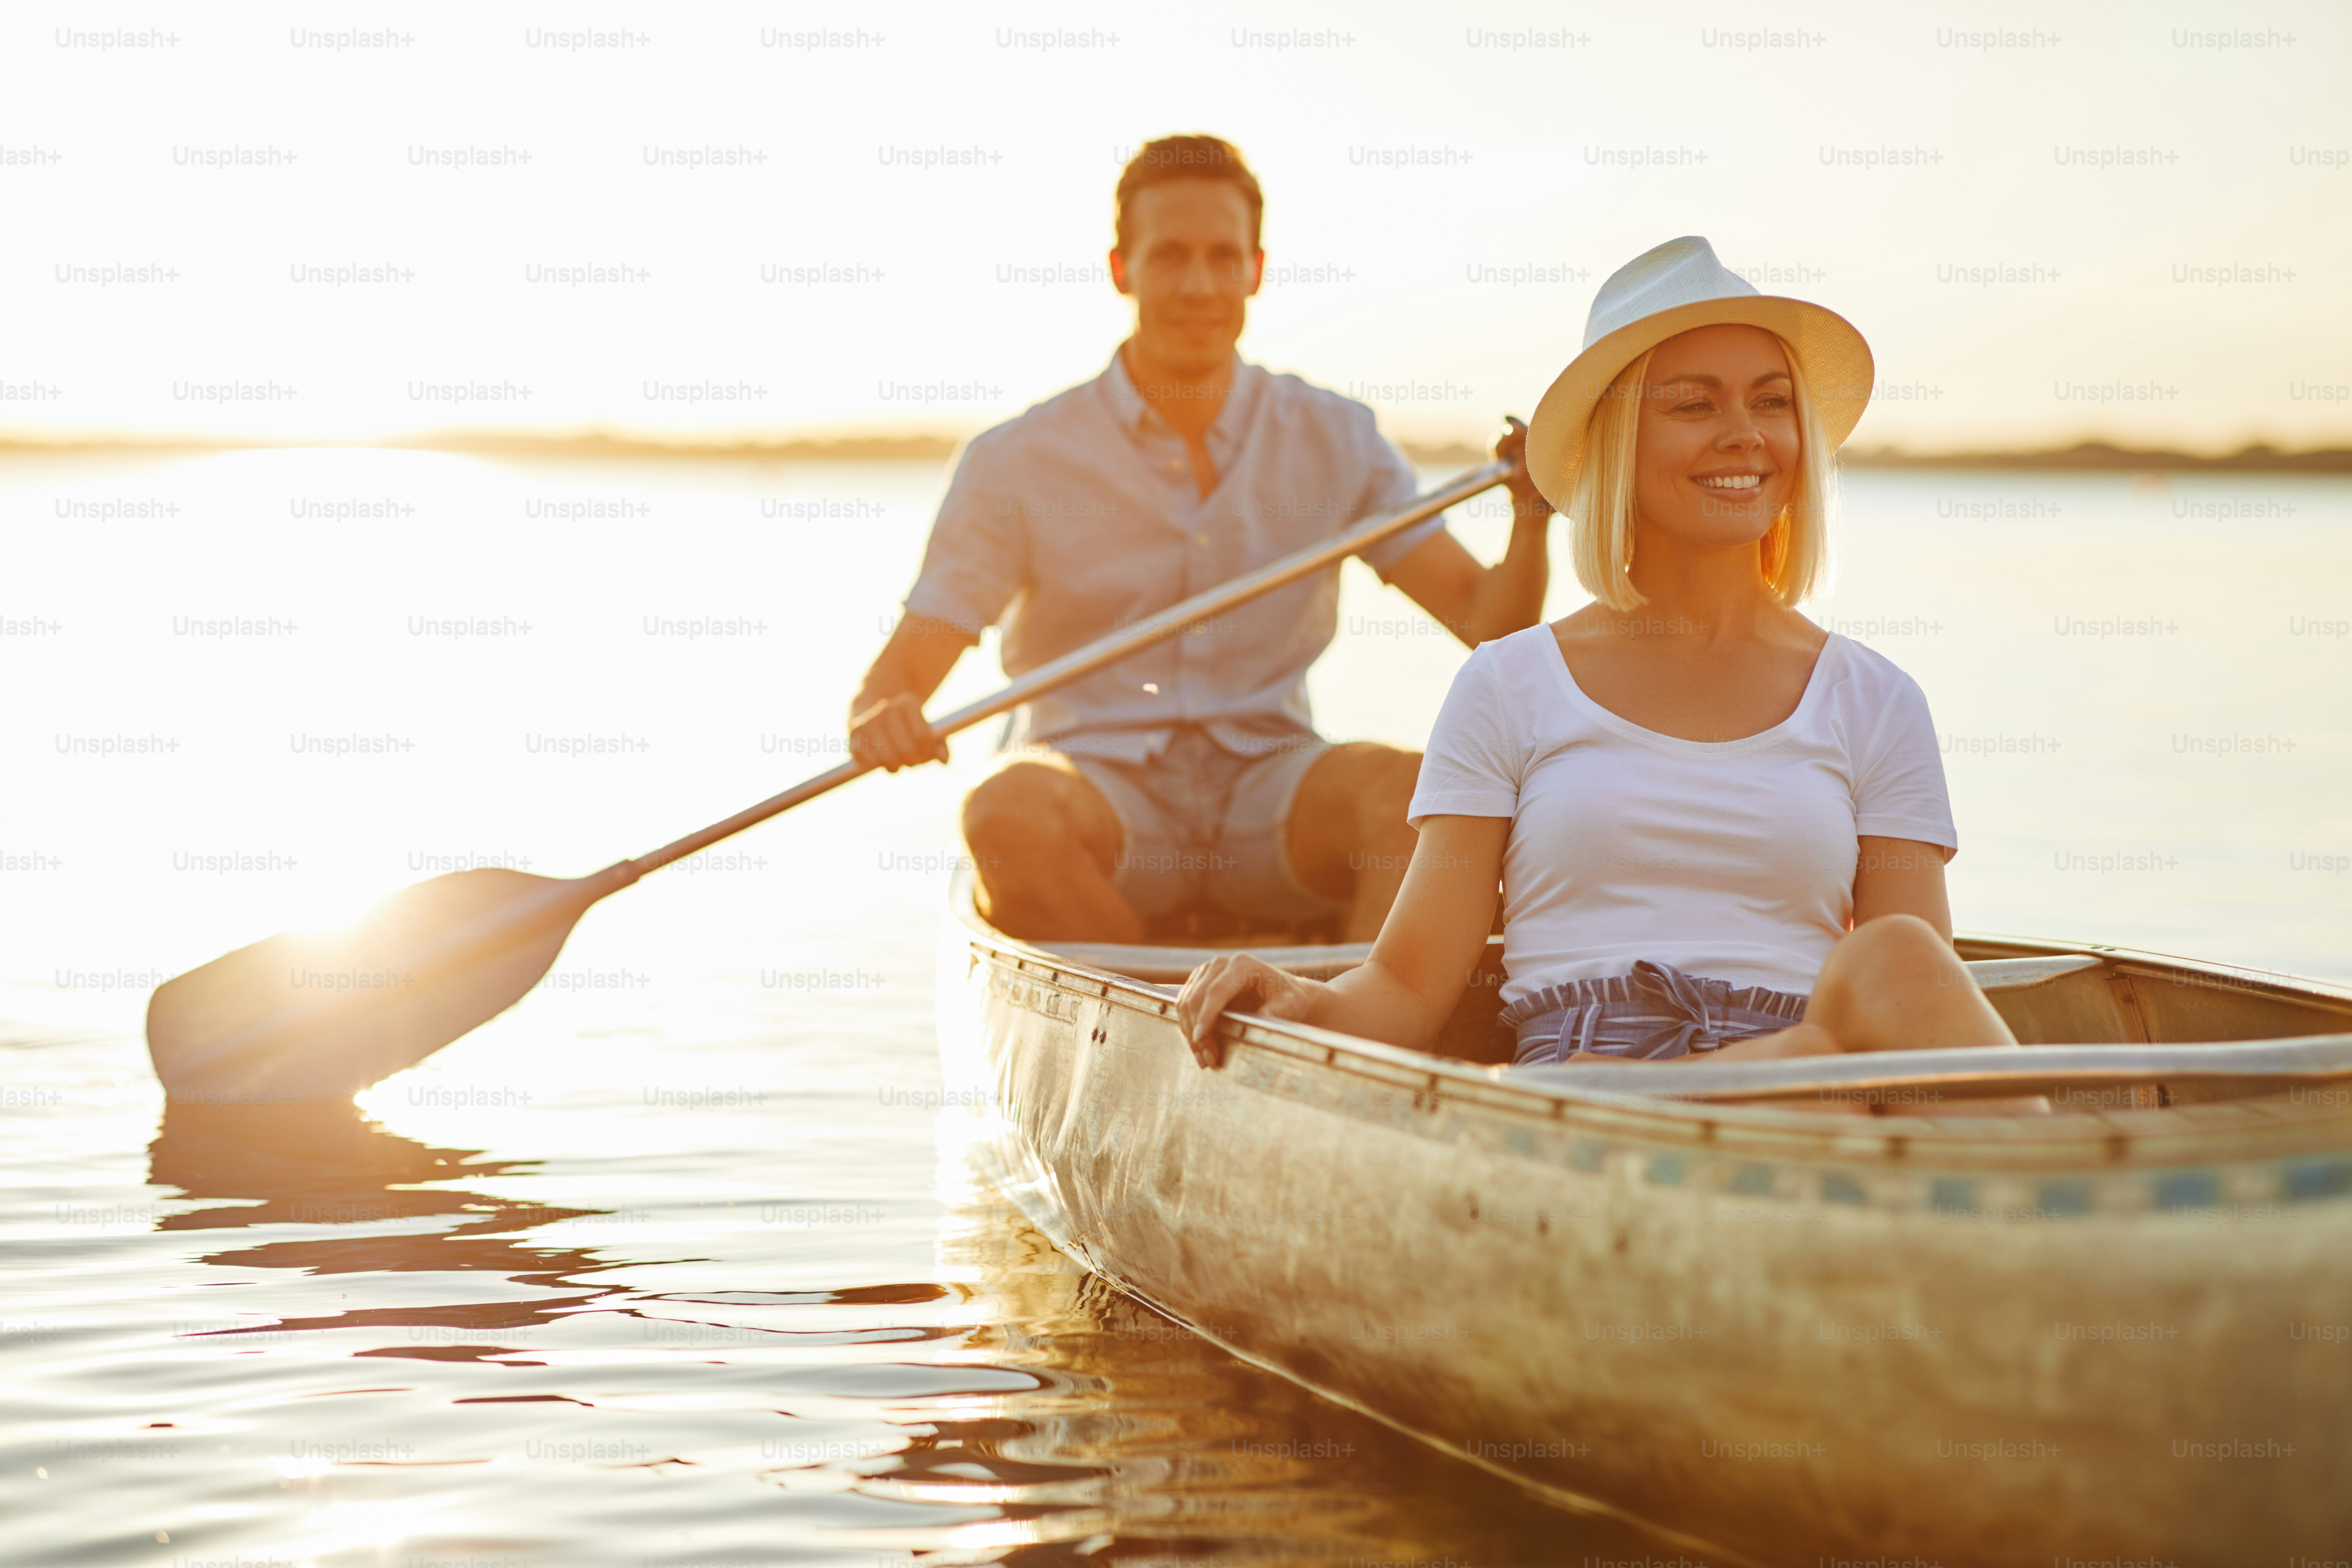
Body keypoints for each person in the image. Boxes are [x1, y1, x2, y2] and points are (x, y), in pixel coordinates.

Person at [1175, 236, 2043, 1114]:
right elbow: (1405, 985)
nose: (1744, 433)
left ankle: (2051, 1203)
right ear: (1619, 441)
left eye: (1771, 401)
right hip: (1580, 1111)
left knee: (1892, 954)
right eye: (1694, 405)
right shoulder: (1509, 685)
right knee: (1738, 1065)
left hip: (1807, 1107)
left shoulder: (1878, 700)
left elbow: (1924, 1010)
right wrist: (1296, 998)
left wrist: (1803, 1060)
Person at [849, 134, 1554, 945]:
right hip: (1094, 791)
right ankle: (1166, 1015)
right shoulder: (1017, 460)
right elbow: (900, 676)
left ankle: (1356, 1034)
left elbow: (1486, 622)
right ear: (1123, 269)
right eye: (1170, 256)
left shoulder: (1337, 436)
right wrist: (882, 712)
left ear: (1255, 270)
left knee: (1409, 794)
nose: (1198, 285)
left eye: (1224, 258)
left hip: (1270, 786)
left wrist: (1531, 515)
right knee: (1005, 816)